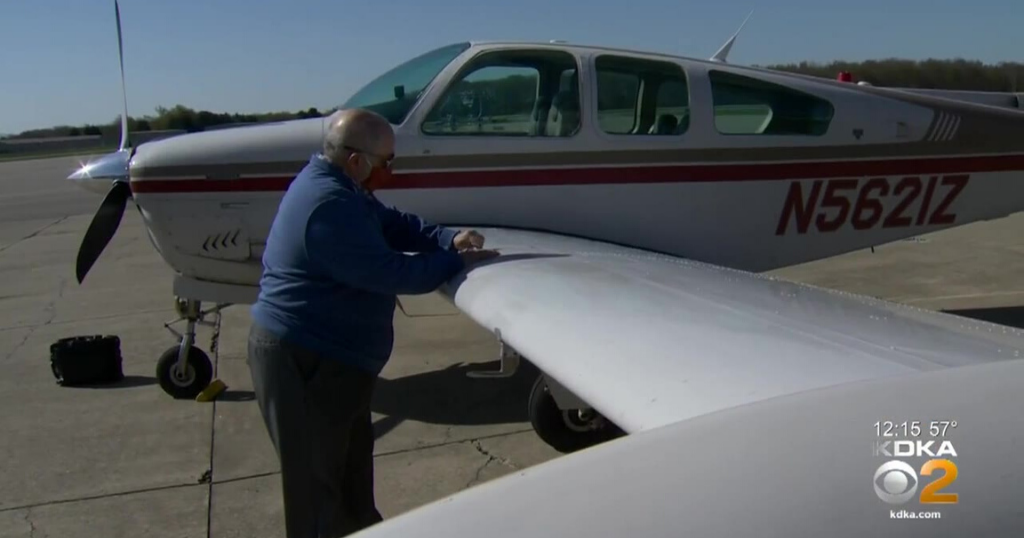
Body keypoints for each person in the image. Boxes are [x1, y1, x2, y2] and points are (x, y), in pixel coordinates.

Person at [247, 107, 499, 538]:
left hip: (333, 364)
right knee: (318, 501)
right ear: (356, 161)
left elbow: (390, 224)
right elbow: (390, 272)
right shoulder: (327, 205)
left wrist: (443, 238)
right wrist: (454, 262)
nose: (392, 172)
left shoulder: (344, 188)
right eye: (387, 163)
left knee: (352, 489)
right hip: (305, 362)